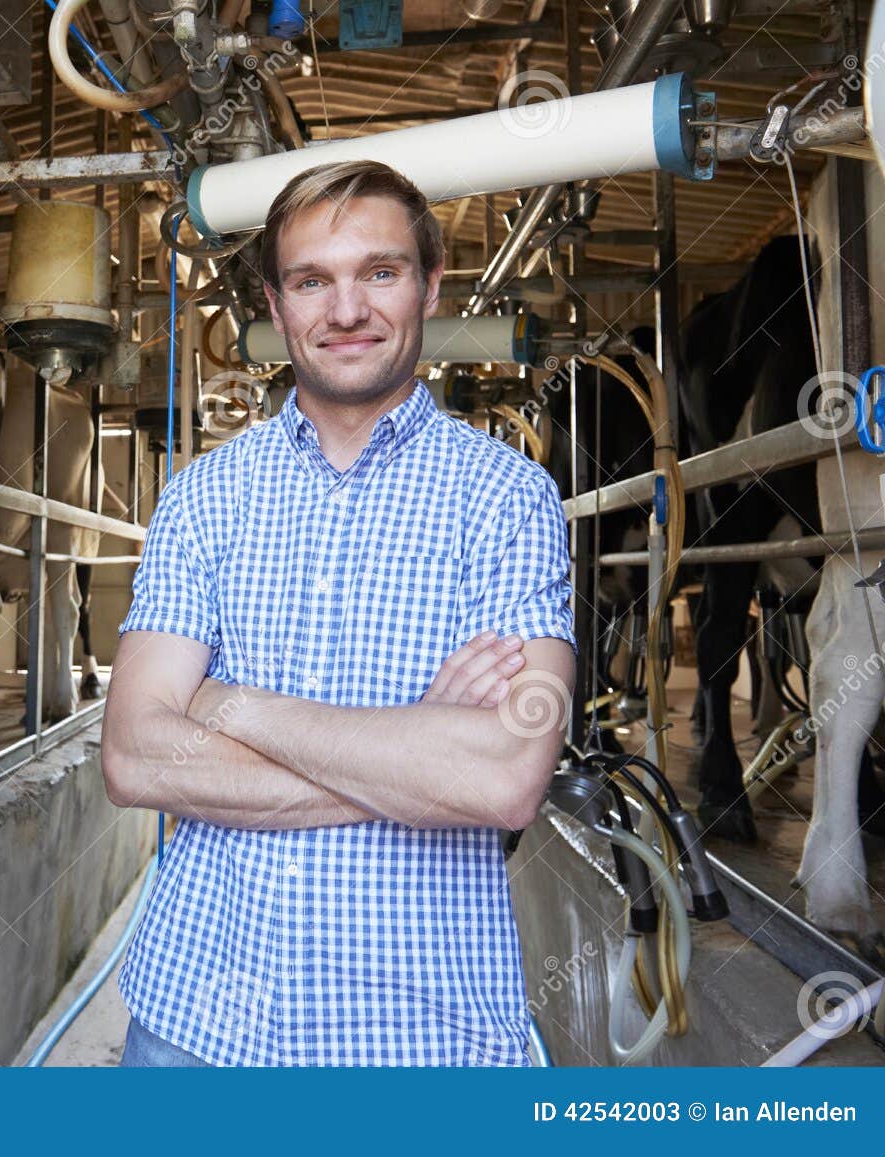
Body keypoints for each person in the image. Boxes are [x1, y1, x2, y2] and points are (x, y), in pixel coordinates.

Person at [103, 158, 577, 1067]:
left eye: (381, 273)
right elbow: (131, 753)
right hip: (193, 1026)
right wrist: (421, 758)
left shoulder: (507, 498)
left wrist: (228, 705)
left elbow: (508, 777)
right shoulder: (204, 496)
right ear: (276, 307)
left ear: (432, 287)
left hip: (419, 1037)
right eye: (312, 281)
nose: (347, 310)